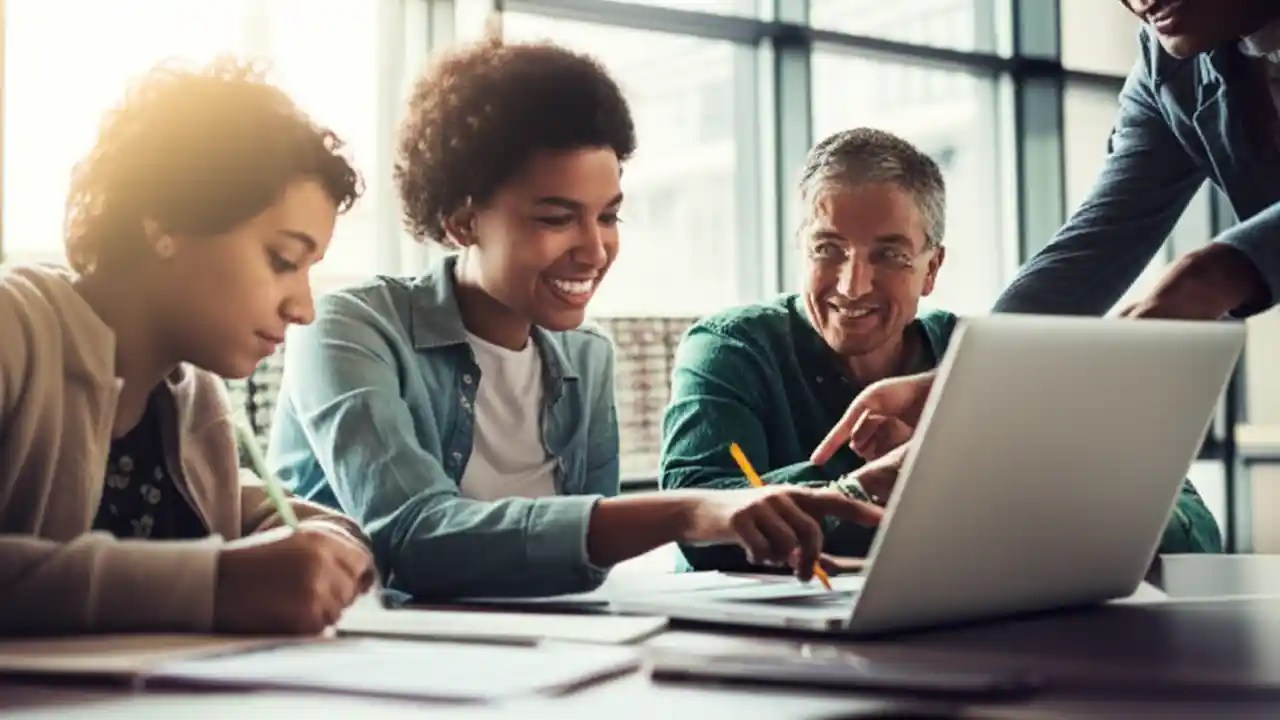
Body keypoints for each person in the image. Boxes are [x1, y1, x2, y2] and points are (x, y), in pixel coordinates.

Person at [267, 39, 881, 600]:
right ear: (461, 221)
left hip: (543, 651)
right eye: (556, 218)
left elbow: (587, 564)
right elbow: (415, 538)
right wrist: (686, 510)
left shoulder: (586, 354)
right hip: (369, 657)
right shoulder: (349, 328)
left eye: (608, 216)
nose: (594, 250)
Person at [660, 128, 1221, 572]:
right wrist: (880, 481)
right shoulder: (729, 348)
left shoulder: (986, 352)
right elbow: (694, 524)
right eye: (828, 249)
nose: (853, 285)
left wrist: (994, 478)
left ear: (932, 269)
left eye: (890, 255)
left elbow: (1191, 527)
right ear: (800, 250)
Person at [818, 0, 1280, 469]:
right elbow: (1091, 248)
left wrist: (1215, 273)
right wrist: (961, 382)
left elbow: (1209, 274)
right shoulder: (1171, 70)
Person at [0, 59, 373, 636]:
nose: (303, 308)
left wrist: (324, 536)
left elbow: (226, 505)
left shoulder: (191, 396)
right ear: (165, 222)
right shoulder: (14, 330)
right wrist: (215, 583)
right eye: (282, 261)